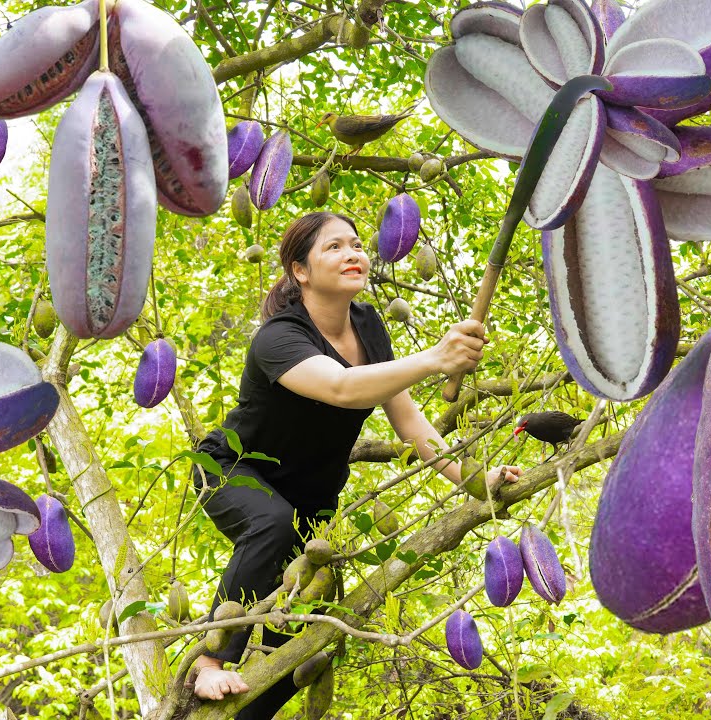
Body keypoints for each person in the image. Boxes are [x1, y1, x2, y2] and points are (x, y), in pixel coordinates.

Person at [189, 212, 521, 716]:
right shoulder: (278, 337)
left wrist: (478, 481)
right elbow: (341, 388)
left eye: (357, 244)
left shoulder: (368, 325)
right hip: (233, 469)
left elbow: (411, 425)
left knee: (306, 638)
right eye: (334, 247)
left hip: (311, 500)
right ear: (300, 270)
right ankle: (209, 664)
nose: (354, 254)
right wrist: (436, 358)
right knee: (271, 523)